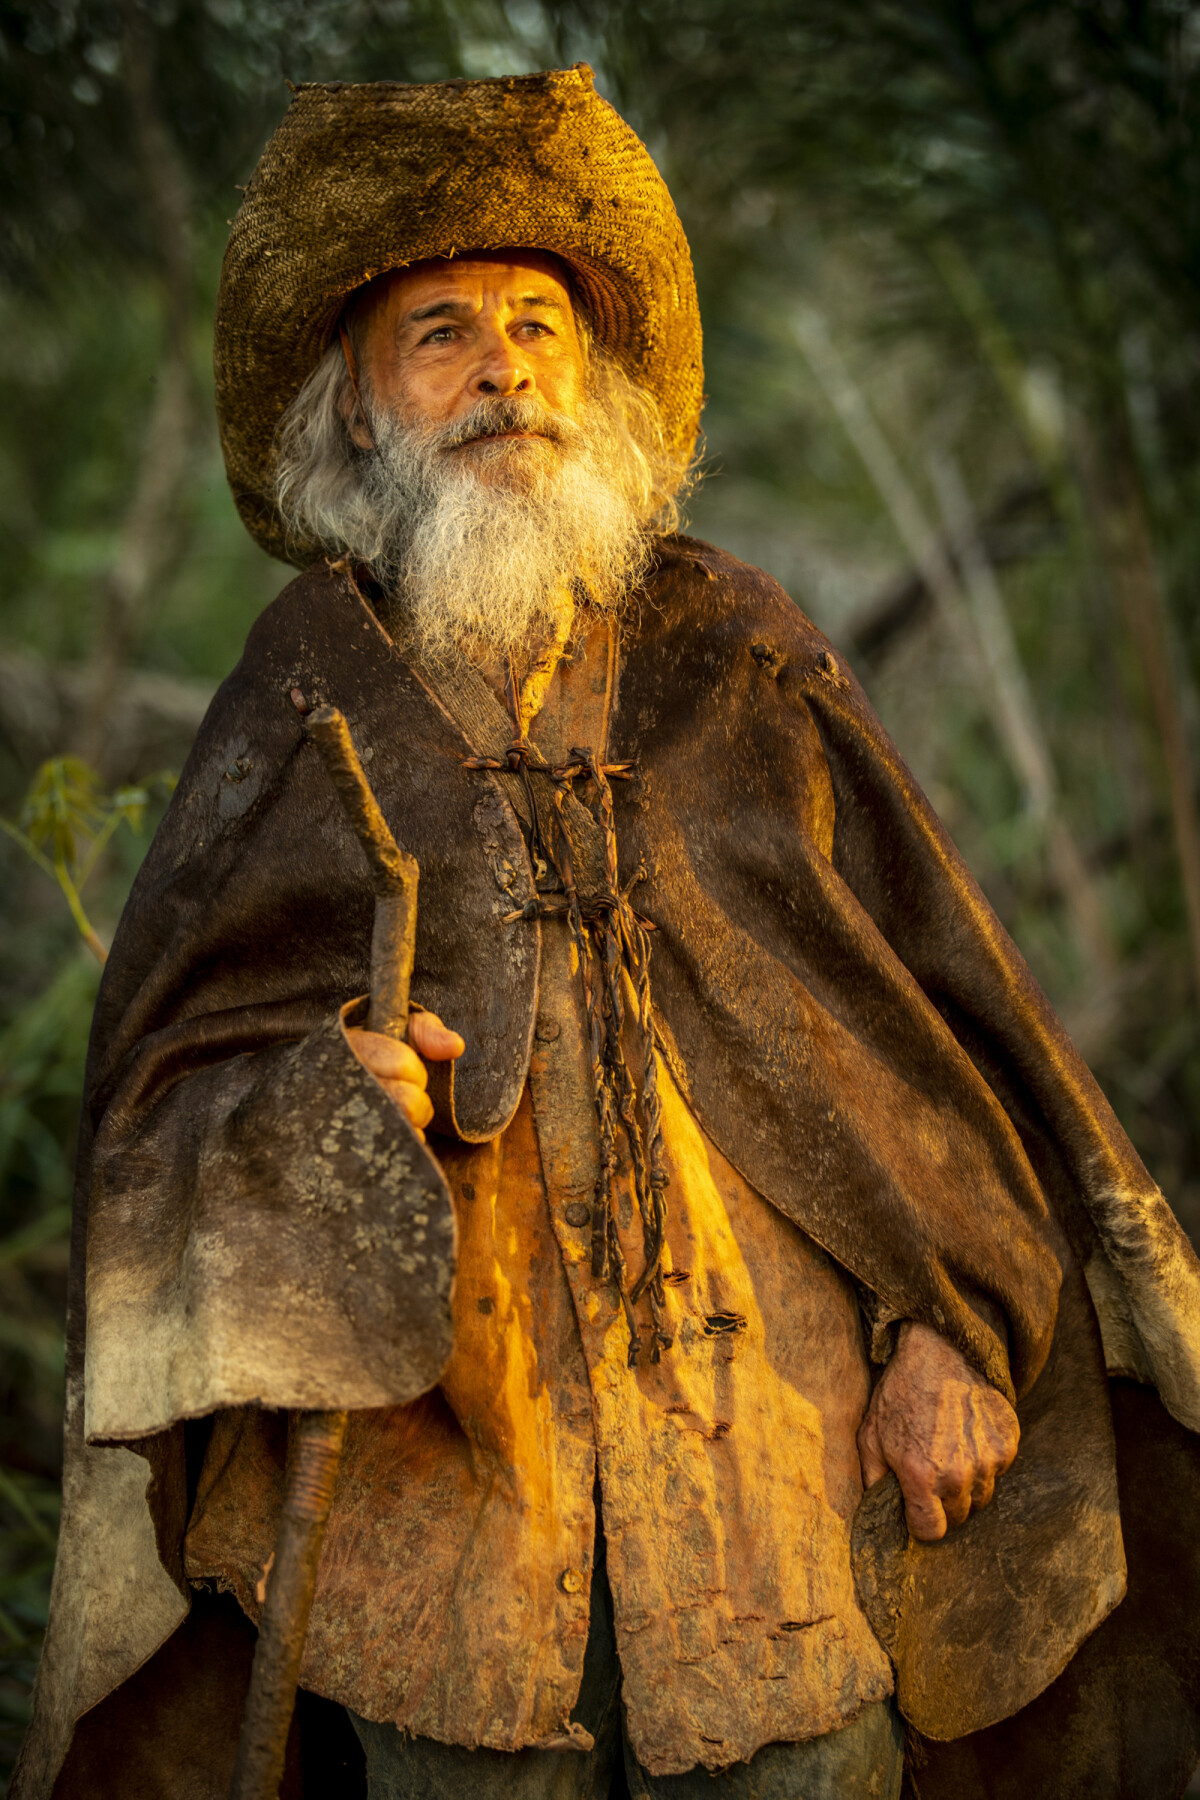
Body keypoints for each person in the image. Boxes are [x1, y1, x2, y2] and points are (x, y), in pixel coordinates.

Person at [13, 65, 1200, 1800]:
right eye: (439, 332)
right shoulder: (299, 695)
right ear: (355, 412)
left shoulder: (739, 653)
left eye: (538, 323)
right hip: (439, 1551)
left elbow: (936, 1034)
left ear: (597, 376)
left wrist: (951, 1320)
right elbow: (156, 1119)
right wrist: (314, 1112)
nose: (503, 366)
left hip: (784, 1524)